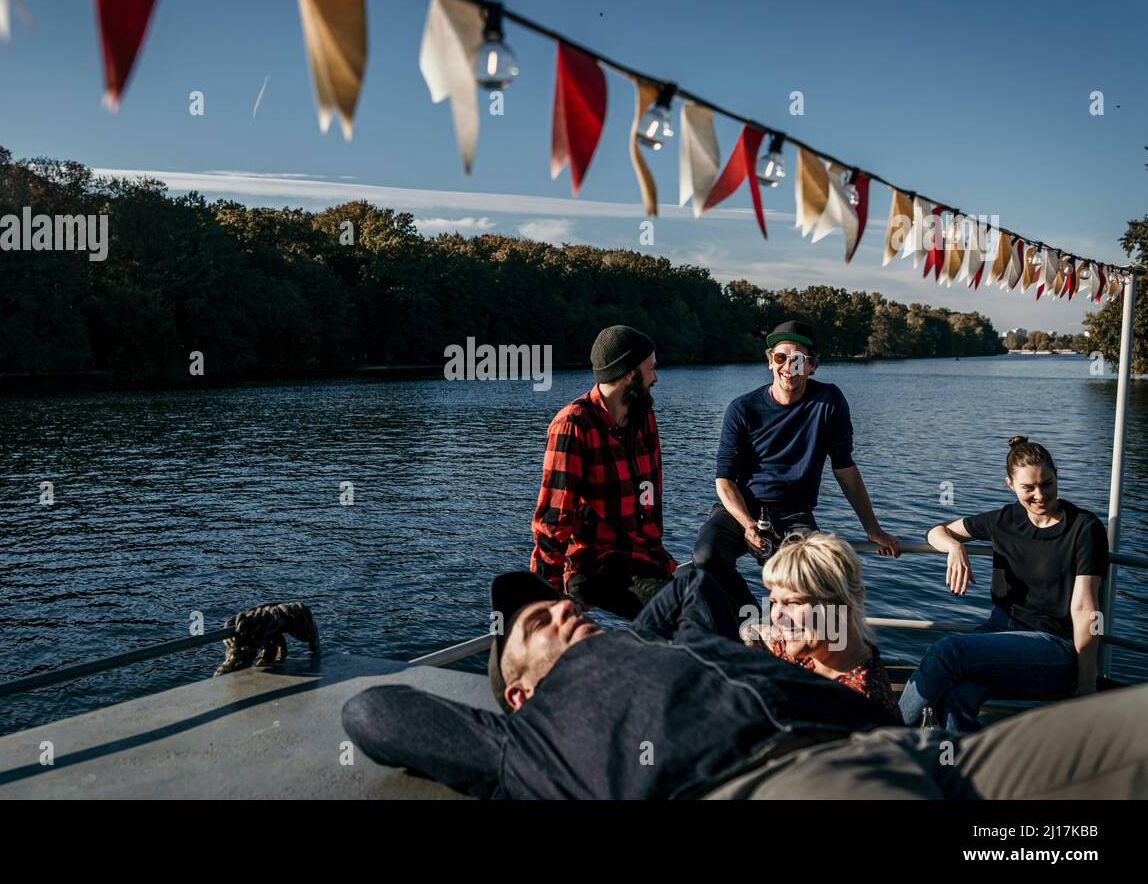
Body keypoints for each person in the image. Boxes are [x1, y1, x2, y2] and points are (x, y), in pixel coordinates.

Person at [341, 567, 1148, 799]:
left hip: (938, 763)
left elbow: (702, 576)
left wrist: (642, 632)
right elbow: (372, 709)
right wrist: (506, 734)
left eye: (560, 602)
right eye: (537, 625)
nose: (561, 609)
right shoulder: (523, 742)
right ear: (517, 691)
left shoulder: (679, 644)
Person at [899, 436, 1108, 733]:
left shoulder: (1084, 528)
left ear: (1057, 476)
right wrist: (955, 548)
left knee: (949, 651)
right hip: (1000, 636)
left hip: (1053, 649)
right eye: (1028, 488)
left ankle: (882, 739)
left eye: (1047, 483)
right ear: (1010, 485)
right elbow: (936, 531)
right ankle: (956, 770)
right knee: (956, 697)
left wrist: (1087, 684)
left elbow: (1086, 607)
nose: (1040, 495)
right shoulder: (1004, 520)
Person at [693, 319, 900, 617]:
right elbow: (725, 480)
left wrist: (872, 527)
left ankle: (810, 651)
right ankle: (754, 626)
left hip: (793, 513)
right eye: (780, 357)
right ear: (769, 362)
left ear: (812, 365)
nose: (788, 365)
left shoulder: (828, 402)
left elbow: (845, 469)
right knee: (706, 559)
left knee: (817, 581)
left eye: (798, 358)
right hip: (740, 508)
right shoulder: (742, 409)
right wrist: (748, 525)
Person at [528, 325, 675, 620]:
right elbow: (553, 520)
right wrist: (547, 596)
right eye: (651, 369)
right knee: (680, 613)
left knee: (710, 597)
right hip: (596, 564)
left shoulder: (643, 417)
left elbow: (650, 503)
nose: (656, 378)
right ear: (629, 373)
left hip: (644, 559)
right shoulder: (573, 424)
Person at [747, 532, 900, 721]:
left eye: (793, 603)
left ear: (840, 606)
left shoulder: (859, 705)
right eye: (774, 602)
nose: (776, 615)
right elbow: (757, 632)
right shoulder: (812, 655)